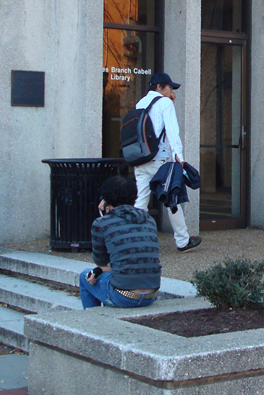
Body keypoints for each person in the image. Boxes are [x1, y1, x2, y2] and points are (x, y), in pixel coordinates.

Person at [134, 72, 202, 252]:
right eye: (169, 87)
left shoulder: (140, 103)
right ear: (159, 87)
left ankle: (132, 240)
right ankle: (182, 240)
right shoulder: (164, 103)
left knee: (141, 201)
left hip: (141, 160)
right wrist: (179, 156)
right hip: (161, 161)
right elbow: (172, 131)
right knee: (172, 199)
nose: (171, 90)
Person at [79, 175, 161, 309]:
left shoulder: (102, 223)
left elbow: (100, 261)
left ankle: (92, 320)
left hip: (123, 296)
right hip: (151, 294)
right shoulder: (149, 220)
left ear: (105, 200)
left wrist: (104, 215)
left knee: (84, 277)